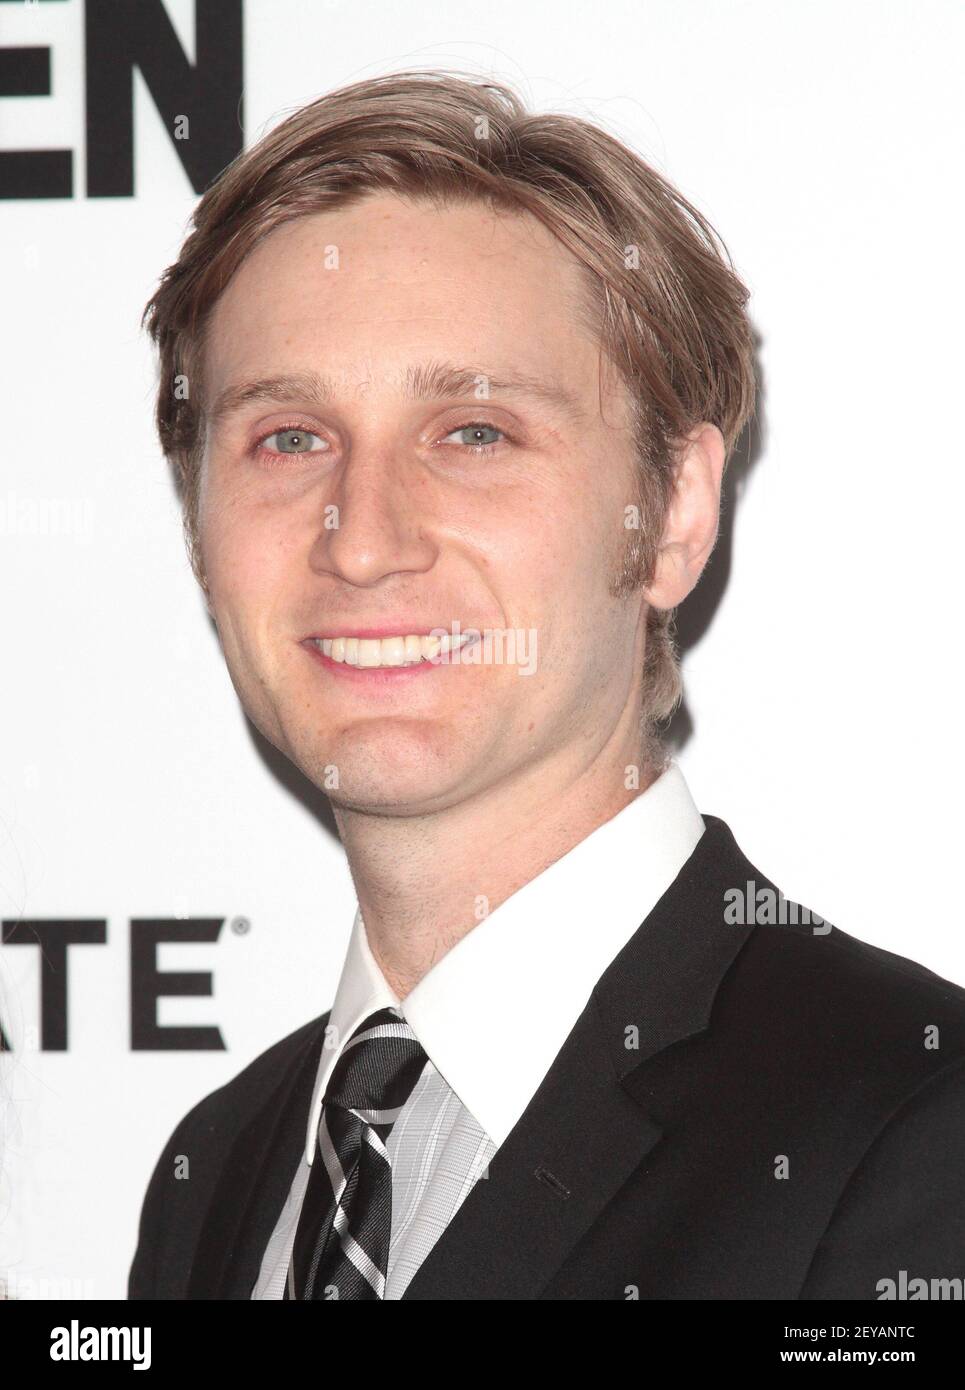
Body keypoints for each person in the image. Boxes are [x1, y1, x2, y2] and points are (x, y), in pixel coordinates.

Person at [127, 69, 965, 1301]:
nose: (361, 538)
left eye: (474, 434)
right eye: (287, 437)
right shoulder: (221, 1168)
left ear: (674, 512)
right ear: (199, 529)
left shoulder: (910, 1134)